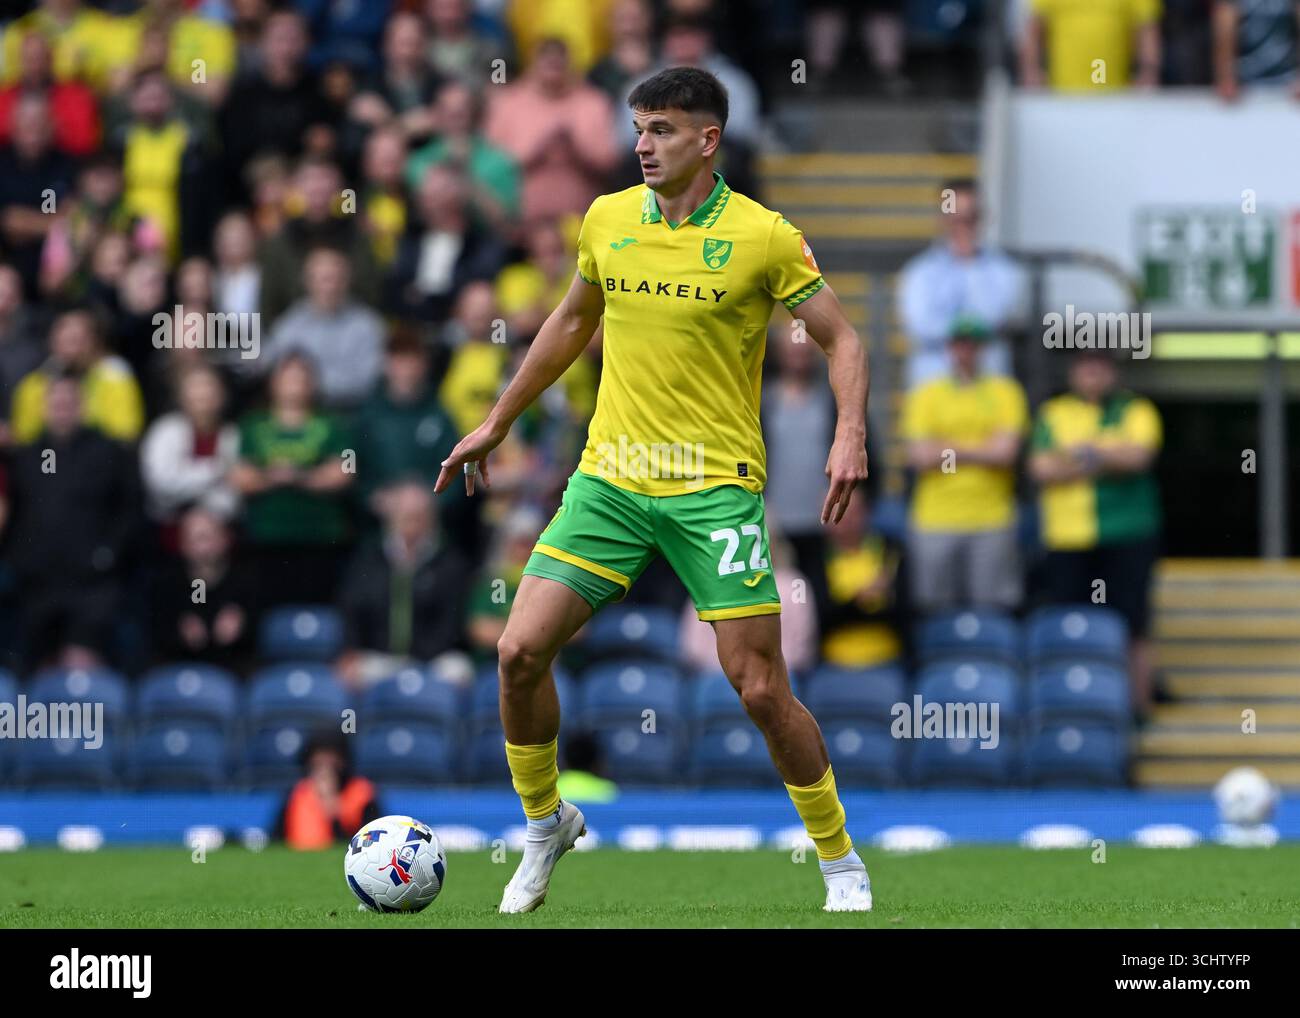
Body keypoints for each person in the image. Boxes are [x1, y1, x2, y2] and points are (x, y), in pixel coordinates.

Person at [436, 67, 873, 914]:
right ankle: (545, 823)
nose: (642, 144)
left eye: (662, 129)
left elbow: (843, 340)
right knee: (517, 651)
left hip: (714, 489)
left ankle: (839, 858)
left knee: (759, 688)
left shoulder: (763, 236)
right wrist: (497, 421)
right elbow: (572, 320)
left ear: (708, 141)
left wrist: (849, 432)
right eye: (638, 127)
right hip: (611, 478)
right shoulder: (607, 218)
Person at [1029, 348, 1163, 717]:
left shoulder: (1136, 409)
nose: (1093, 373)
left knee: (1134, 626)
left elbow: (1139, 457)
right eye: (1085, 366)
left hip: (1127, 534)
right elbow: (1040, 468)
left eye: (1100, 366)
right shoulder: (1054, 412)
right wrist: (1104, 457)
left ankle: (1138, 709)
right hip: (1069, 538)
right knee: (1069, 627)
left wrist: (1081, 455)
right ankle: (1070, 708)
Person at [900, 317, 1028, 613]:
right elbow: (920, 456)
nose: (966, 351)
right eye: (960, 343)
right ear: (950, 348)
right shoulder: (926, 394)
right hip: (935, 518)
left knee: (993, 610)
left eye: (972, 344)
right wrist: (983, 446)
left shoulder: (1006, 392)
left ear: (982, 348)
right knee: (933, 611)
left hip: (992, 518)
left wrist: (946, 446)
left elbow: (1006, 454)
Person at [336, 480, 472, 689]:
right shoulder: (368, 560)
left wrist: (415, 660)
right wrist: (351, 650)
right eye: (406, 516)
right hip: (378, 657)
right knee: (350, 672)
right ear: (392, 517)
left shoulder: (450, 563)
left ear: (431, 518)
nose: (412, 524)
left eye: (419, 516)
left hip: (433, 660)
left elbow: (453, 623)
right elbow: (351, 609)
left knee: (459, 671)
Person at [896, 179, 1022, 388]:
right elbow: (920, 324)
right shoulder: (920, 272)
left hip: (988, 389)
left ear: (983, 217)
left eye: (970, 218)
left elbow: (1001, 315)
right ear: (942, 219)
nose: (963, 226)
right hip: (934, 387)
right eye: (955, 218)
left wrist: (969, 265)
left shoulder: (1004, 269)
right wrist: (970, 329)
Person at [149, 506, 257, 674]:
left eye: (205, 538)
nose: (200, 548)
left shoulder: (245, 579)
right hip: (183, 667)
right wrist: (179, 632)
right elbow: (159, 634)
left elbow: (258, 634)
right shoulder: (169, 582)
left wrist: (243, 625)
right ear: (182, 545)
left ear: (225, 539)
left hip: (234, 669)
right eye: (192, 540)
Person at [273, 729, 381, 850]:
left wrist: (331, 805)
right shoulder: (297, 792)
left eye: (330, 755)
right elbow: (276, 841)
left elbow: (369, 845)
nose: (325, 763)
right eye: (319, 755)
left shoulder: (362, 792)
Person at [1020, 0, 1162, 92]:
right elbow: (1035, 28)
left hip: (1115, 94)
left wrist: (1148, 73)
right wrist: (1031, 71)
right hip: (1062, 93)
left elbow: (1147, 28)